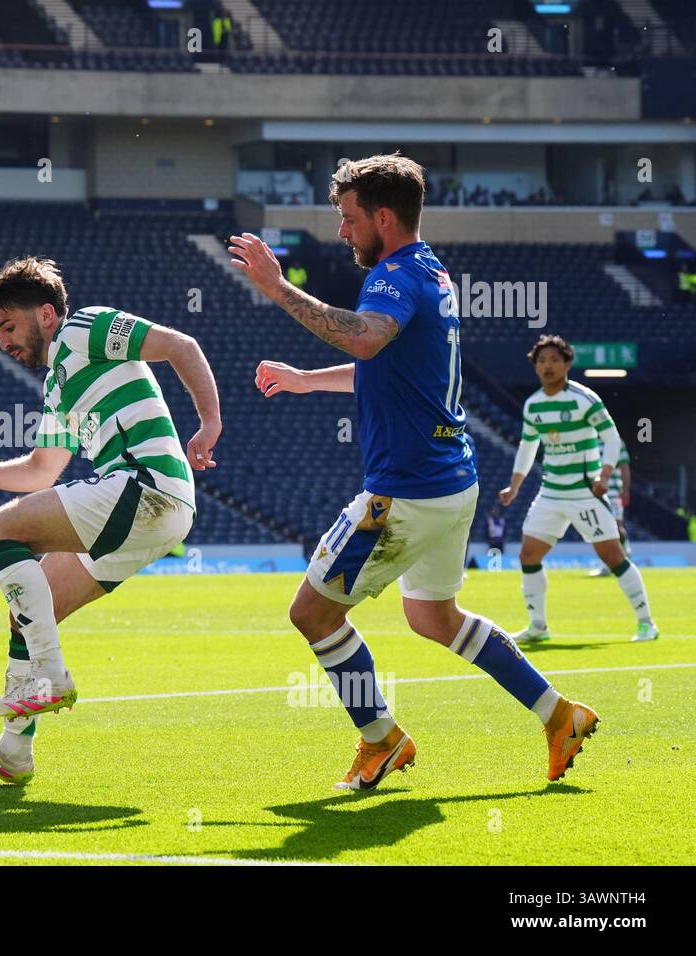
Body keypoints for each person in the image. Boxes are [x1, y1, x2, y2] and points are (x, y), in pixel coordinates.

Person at [230, 153, 598, 789]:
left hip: (404, 492)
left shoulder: (392, 278)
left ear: (382, 216)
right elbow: (386, 367)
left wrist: (277, 287)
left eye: (348, 219)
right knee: (433, 618)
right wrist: (304, 381)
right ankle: (558, 713)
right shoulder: (431, 273)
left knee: (312, 615)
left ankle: (381, 740)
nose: (342, 231)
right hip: (453, 483)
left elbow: (368, 340)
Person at [0, 257, 219, 784]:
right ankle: (14, 754)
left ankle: (53, 677)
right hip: (151, 511)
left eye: (8, 327)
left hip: (144, 486)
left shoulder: (86, 328)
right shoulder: (58, 387)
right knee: (29, 611)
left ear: (48, 314)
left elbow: (181, 346)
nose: (3, 341)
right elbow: (41, 471)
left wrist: (209, 422)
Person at [498, 336, 657, 642]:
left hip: (586, 492)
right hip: (551, 492)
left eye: (555, 360)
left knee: (613, 557)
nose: (548, 366)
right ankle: (538, 627)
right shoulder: (533, 405)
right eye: (542, 361)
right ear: (535, 366)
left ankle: (646, 623)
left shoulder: (586, 399)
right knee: (528, 555)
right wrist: (514, 486)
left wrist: (604, 475)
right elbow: (527, 447)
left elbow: (611, 439)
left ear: (568, 364)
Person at [590, 439, 632, 577]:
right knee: (601, 529)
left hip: (613, 492)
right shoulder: (588, 438)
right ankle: (610, 563)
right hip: (594, 492)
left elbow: (624, 467)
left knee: (616, 527)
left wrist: (625, 490)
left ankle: (624, 555)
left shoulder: (616, 441)